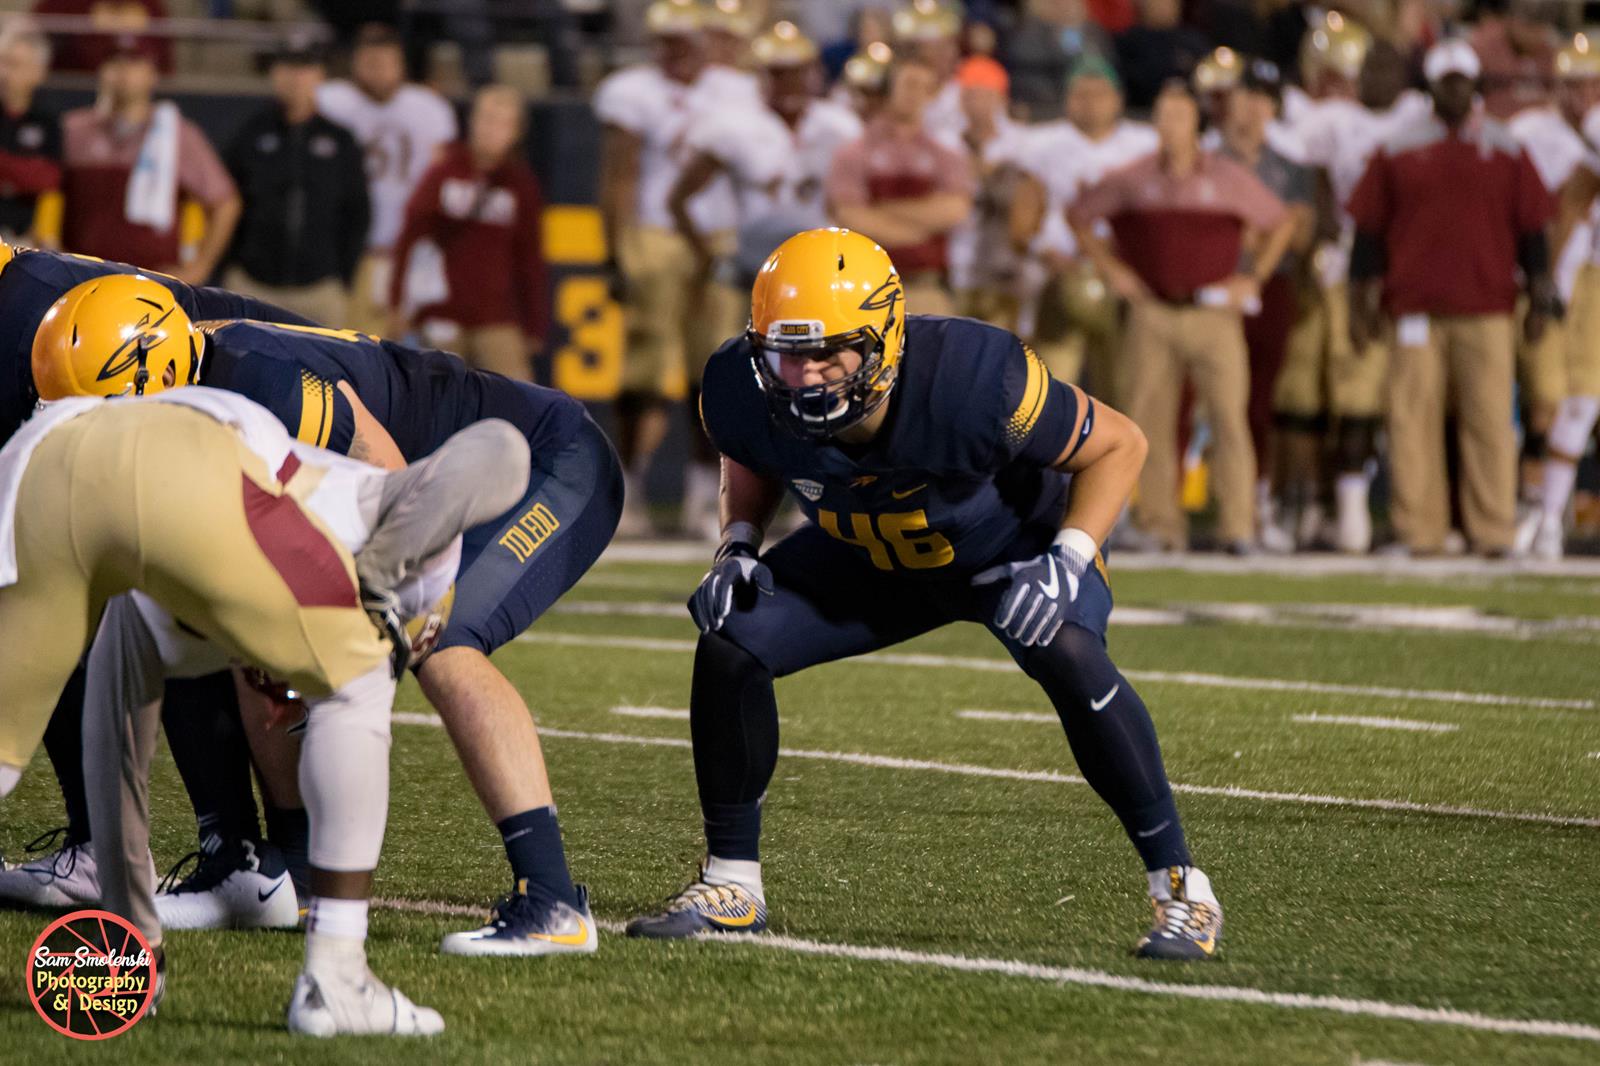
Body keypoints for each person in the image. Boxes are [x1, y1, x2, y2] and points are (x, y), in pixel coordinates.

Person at [622, 227, 1223, 961]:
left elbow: (1120, 443)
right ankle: (731, 882)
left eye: (828, 354)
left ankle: (1182, 886)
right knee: (733, 638)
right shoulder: (741, 387)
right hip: (872, 556)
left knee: (1063, 647)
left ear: (885, 338)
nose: (806, 377)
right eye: (788, 355)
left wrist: (1069, 556)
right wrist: (739, 542)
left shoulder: (975, 378)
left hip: (1009, 551)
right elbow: (750, 454)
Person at [30, 271, 623, 953]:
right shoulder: (189, 394)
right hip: (416, 483)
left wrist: (344, 623)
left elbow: (400, 489)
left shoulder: (264, 384)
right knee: (214, 612)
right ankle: (298, 873)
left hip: (541, 461)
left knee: (445, 639)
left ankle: (551, 900)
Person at [0, 381, 526, 1035]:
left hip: (45, 463)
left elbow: (115, 755)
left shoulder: (218, 590)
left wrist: (136, 935)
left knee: (38, 746)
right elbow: (502, 449)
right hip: (201, 473)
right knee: (359, 681)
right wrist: (377, 599)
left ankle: (129, 952)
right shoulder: (373, 506)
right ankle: (339, 978)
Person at [1347, 38, 1556, 557]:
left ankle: (1494, 530)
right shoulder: (1398, 147)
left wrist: (1540, 292)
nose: (1456, 91)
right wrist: (1360, 300)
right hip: (1414, 307)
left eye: (1463, 81)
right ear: (1432, 87)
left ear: (1476, 84)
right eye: (1447, 82)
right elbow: (1369, 232)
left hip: (1487, 308)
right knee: (1410, 422)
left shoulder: (1506, 147)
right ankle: (1421, 532)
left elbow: (1533, 230)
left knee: (1489, 422)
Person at [1070, 80, 1295, 554]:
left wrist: (1253, 278)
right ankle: (1158, 523)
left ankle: (1238, 526)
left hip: (1214, 313)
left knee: (1229, 418)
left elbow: (1281, 221)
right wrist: (1114, 271)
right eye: (1162, 116)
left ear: (1196, 124)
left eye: (1177, 116)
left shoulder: (1226, 176)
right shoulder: (1134, 177)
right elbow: (1079, 214)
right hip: (1153, 309)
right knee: (1149, 420)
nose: (1168, 126)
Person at [667, 21, 863, 540]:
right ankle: (703, 488)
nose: (790, 83)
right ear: (763, 78)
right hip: (750, 275)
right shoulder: (734, 125)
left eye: (797, 71)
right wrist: (706, 250)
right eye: (779, 73)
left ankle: (816, 494)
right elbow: (679, 196)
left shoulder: (839, 126)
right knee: (725, 378)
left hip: (819, 281)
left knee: (822, 385)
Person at [594, 0, 734, 536]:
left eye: (686, 39)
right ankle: (629, 486)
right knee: (647, 369)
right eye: (668, 40)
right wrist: (615, 251)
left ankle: (707, 492)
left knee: (717, 369)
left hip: (716, 235)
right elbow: (619, 176)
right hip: (653, 233)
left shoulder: (732, 90)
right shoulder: (634, 92)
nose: (676, 51)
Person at [1009, 56, 1157, 402]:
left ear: (1119, 99)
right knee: (1046, 391)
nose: (1090, 103)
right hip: (1060, 275)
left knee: (1126, 391)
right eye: (1081, 94)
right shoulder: (1042, 144)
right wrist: (1045, 253)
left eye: (1099, 93)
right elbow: (1021, 220)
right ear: (1067, 99)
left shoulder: (1144, 143)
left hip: (1126, 280)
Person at [1217, 59, 1315, 551]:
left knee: (1259, 400)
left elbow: (1298, 234)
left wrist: (1254, 244)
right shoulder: (1206, 161)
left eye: (1262, 98)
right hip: (1211, 286)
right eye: (1245, 96)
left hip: (1269, 286)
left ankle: (1259, 501)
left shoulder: (1290, 168)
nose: (1252, 109)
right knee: (1209, 402)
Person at [388, 84, 548, 382]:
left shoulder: (520, 184)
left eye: (502, 123)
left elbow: (530, 258)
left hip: (497, 316)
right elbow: (410, 237)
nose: (491, 130)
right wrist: (397, 302)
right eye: (487, 119)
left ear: (516, 133)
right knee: (436, 403)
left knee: (518, 403)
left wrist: (534, 324)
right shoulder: (444, 172)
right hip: (441, 312)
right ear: (471, 122)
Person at [1514, 36, 1600, 559]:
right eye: (1575, 82)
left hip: (1590, 276)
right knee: (1540, 402)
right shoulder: (1533, 130)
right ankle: (1526, 512)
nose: (1583, 93)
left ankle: (1547, 519)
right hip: (1536, 275)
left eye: (1592, 82)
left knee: (1583, 401)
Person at [60, 38, 240, 284]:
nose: (124, 72)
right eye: (115, 63)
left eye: (134, 64)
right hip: (83, 277)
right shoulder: (73, 130)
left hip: (151, 281)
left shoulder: (175, 133)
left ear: (152, 74)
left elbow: (225, 203)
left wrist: (199, 267)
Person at [316, 23, 458, 336]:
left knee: (420, 350)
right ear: (355, 64)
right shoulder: (332, 101)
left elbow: (444, 180)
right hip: (355, 251)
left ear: (401, 65)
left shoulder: (428, 109)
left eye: (385, 63)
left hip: (414, 252)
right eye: (370, 63)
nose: (378, 72)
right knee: (356, 343)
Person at [223, 41, 370, 328]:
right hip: (254, 284)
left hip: (320, 288)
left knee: (325, 370)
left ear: (319, 76)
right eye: (287, 68)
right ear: (274, 74)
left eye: (304, 69)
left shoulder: (340, 140)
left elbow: (358, 211)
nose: (295, 77)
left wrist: (343, 276)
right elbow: (226, 198)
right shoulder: (251, 132)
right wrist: (231, 264)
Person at [827, 56, 975, 317]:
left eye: (924, 87)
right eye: (908, 84)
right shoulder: (854, 152)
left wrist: (880, 210)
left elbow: (955, 210)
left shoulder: (945, 154)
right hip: (865, 289)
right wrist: (920, 230)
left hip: (926, 288)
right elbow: (850, 217)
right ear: (888, 88)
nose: (915, 94)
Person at [0, 25, 62, 248]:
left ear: (38, 72)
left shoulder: (47, 119)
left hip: (24, 238)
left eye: (14, 64)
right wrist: (20, 172)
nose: (4, 73)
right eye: (2, 61)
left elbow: (48, 179)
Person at [1002, 0, 1114, 122]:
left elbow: (1108, 70)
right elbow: (1026, 75)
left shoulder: (1094, 33)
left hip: (1090, 106)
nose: (1066, 6)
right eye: (1058, 2)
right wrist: (1066, 98)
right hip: (1047, 108)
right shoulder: (1028, 34)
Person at [1114, 0, 1208, 111]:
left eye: (1169, 2)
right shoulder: (1127, 42)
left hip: (1193, 112)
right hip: (1141, 113)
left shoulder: (1194, 41)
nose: (1163, 6)